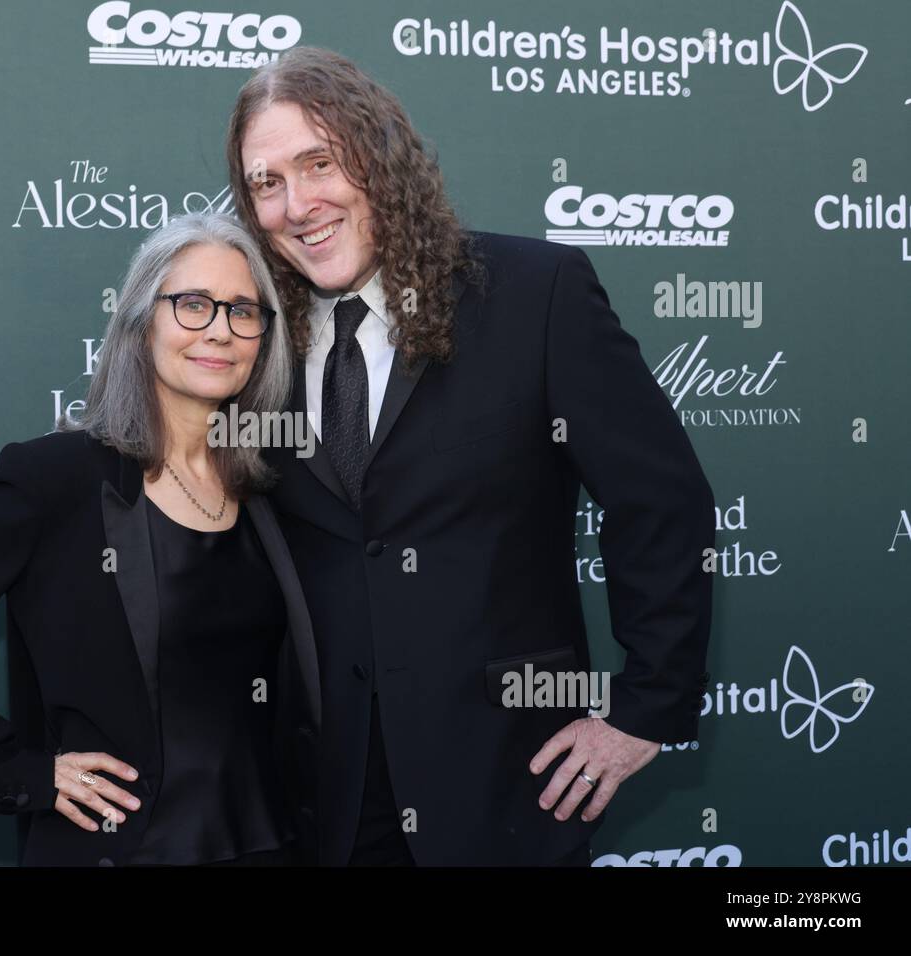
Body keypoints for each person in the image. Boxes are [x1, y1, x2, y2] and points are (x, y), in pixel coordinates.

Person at [225, 47, 716, 866]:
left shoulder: (534, 292)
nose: (296, 203)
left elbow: (661, 502)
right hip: (319, 797)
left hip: (508, 781)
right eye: (265, 183)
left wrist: (645, 710)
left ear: (379, 158)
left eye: (318, 162)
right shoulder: (252, 335)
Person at [0, 211, 320, 866]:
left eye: (245, 311)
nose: (220, 329)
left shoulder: (273, 494)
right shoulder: (58, 479)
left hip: (270, 847)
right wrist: (17, 769)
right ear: (140, 319)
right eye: (193, 304)